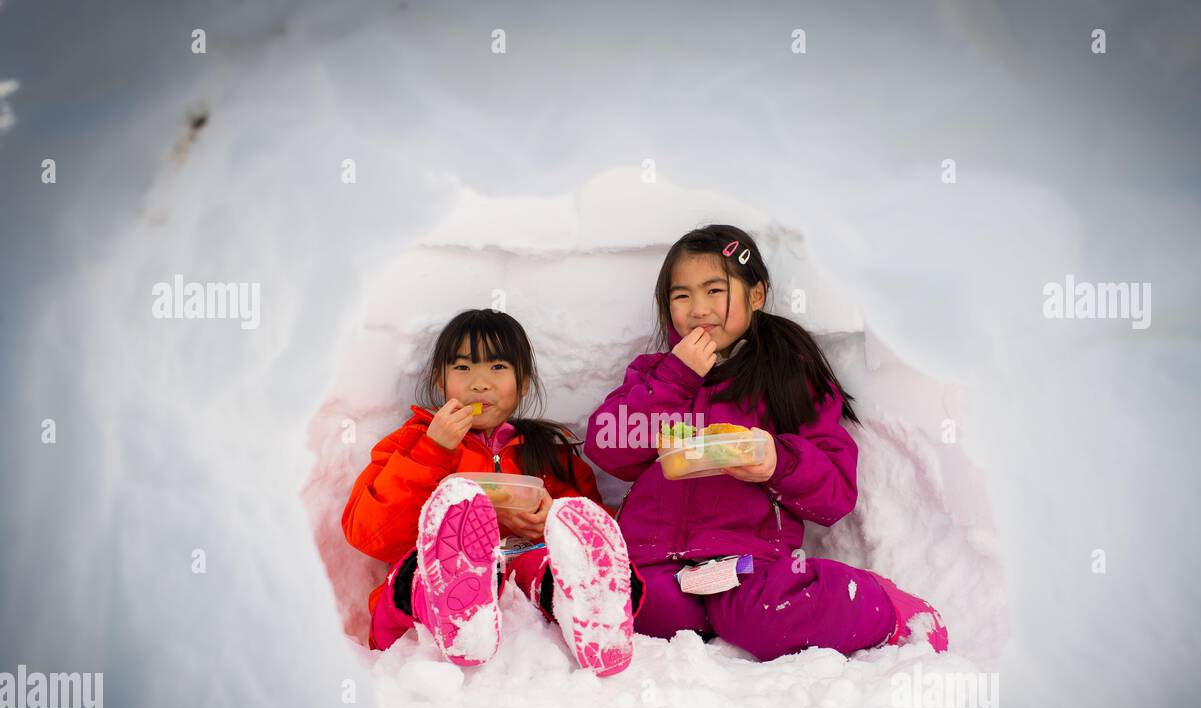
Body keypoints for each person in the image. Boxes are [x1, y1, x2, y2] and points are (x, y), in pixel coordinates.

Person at [584, 225, 947, 661]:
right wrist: (676, 377)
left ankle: (887, 609)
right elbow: (607, 445)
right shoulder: (654, 374)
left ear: (756, 295)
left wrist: (777, 461)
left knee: (763, 615)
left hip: (745, 562)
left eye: (714, 290)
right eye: (681, 296)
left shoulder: (784, 375)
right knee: (647, 610)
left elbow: (835, 495)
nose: (698, 309)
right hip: (657, 560)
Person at [342, 309, 644, 677]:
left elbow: (596, 531)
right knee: (425, 563)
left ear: (524, 382)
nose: (479, 383)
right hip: (420, 604)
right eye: (464, 368)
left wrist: (552, 521)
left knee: (547, 560)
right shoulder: (413, 443)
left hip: (523, 596)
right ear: (440, 380)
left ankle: (592, 611)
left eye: (498, 367)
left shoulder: (546, 452)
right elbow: (370, 534)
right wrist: (432, 451)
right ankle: (457, 604)